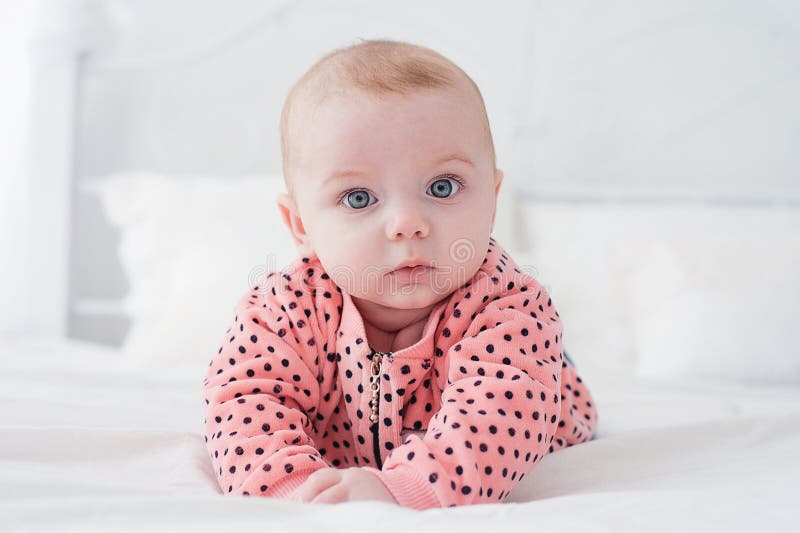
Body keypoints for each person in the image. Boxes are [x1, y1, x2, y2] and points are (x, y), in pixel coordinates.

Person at [200, 39, 598, 509]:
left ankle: (555, 363)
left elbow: (495, 420)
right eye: (359, 198)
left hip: (530, 410)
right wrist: (298, 492)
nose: (407, 223)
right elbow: (244, 403)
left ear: (492, 200)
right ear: (302, 227)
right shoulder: (282, 311)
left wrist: (405, 490)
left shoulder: (509, 307)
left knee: (523, 368)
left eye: (442, 186)